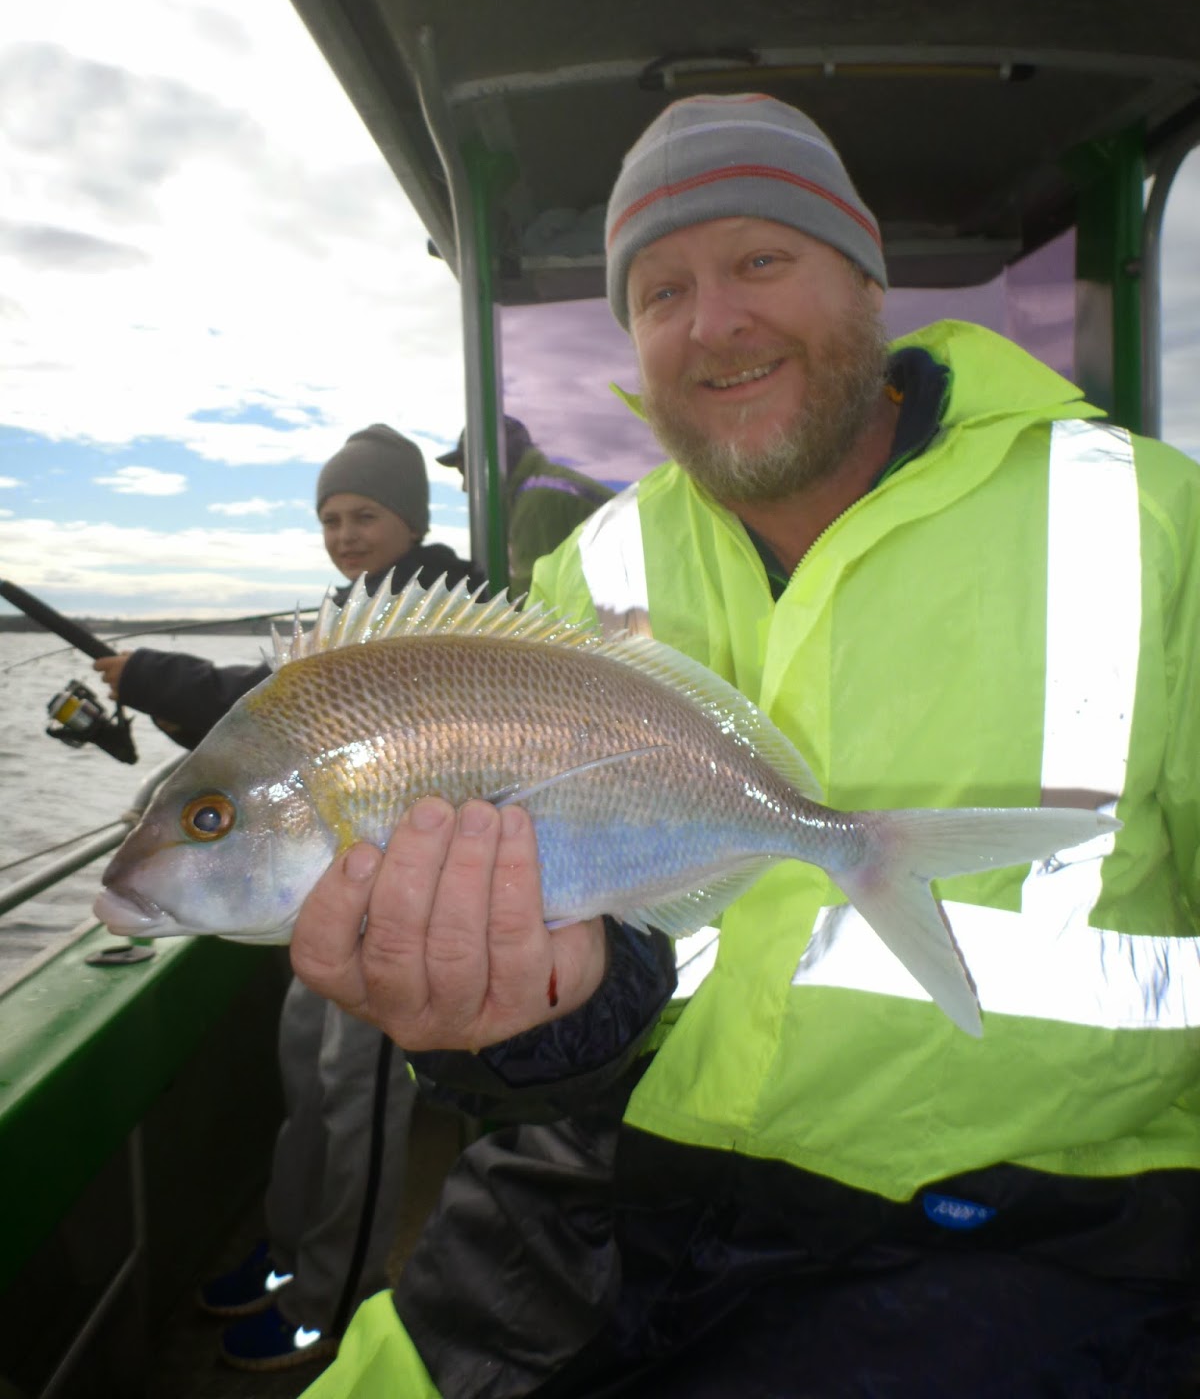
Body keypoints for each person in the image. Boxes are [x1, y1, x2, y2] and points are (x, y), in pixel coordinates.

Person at [287, 97, 1200, 1397]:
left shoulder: (1160, 525)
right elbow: (604, 937)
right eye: (661, 291)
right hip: (618, 1173)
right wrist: (532, 1026)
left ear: (864, 269)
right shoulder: (589, 568)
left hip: (1038, 1218)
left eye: (762, 261)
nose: (714, 323)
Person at [97, 423, 483, 1375]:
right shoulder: (348, 614)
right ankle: (287, 1251)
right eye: (330, 518)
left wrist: (151, 676)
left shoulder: (433, 613)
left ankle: (330, 1303)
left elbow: (269, 699)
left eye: (365, 514)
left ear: (413, 521)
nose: (345, 534)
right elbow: (268, 708)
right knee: (306, 1085)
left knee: (360, 1105)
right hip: (319, 903)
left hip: (391, 921)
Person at [437, 414, 613, 597]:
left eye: (467, 471)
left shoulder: (539, 501)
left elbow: (532, 602)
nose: (465, 487)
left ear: (499, 460)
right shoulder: (543, 488)